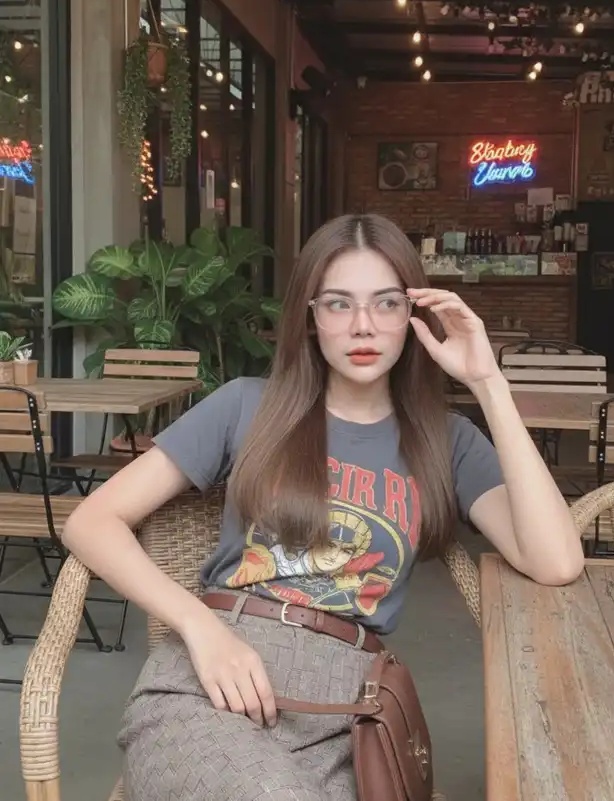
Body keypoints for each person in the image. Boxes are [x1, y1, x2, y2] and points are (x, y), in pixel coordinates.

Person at [62, 214, 584, 801]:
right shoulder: (247, 406)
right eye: (339, 303)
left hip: (346, 710)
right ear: (311, 317)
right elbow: (92, 521)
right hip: (212, 679)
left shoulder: (447, 440)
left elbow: (556, 561)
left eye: (386, 303)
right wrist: (199, 626)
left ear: (412, 315)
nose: (363, 324)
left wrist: (488, 382)